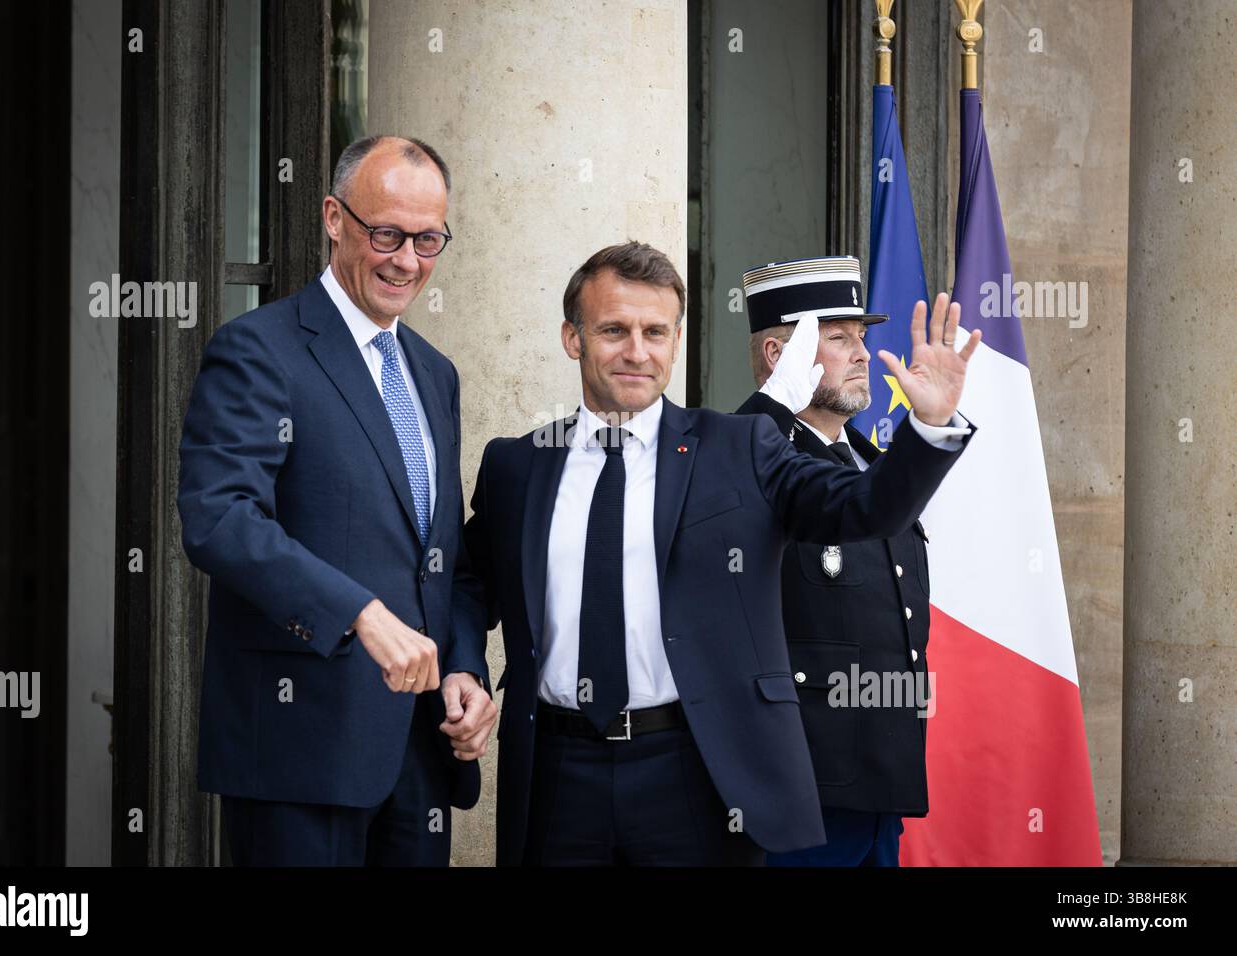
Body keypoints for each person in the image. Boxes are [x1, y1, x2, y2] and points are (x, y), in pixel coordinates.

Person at [458, 241, 980, 865]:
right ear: (573, 338)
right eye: (613, 330)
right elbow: (467, 583)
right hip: (555, 770)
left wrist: (929, 432)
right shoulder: (517, 465)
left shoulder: (736, 447)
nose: (636, 351)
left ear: (677, 341)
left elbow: (862, 507)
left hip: (691, 772)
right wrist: (465, 667)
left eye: (656, 331)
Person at [177, 135, 496, 866]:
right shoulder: (257, 349)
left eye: (427, 240)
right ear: (332, 217)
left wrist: (464, 667)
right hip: (300, 752)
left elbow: (444, 559)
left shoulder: (434, 373)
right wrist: (359, 612)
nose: (406, 260)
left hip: (422, 758)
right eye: (385, 233)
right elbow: (219, 518)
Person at [735, 256, 938, 866]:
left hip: (882, 782)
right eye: (837, 337)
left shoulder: (873, 467)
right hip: (803, 790)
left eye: (863, 337)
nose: (861, 354)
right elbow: (718, 484)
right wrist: (767, 407)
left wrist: (931, 425)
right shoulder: (748, 459)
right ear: (779, 356)